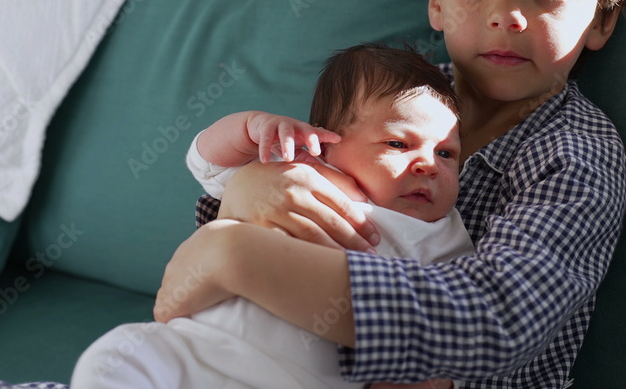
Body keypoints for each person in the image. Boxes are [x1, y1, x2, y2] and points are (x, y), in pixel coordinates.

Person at [155, 0, 626, 388]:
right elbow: (292, 203)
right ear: (436, 1)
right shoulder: (392, 97)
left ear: (603, 18)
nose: (506, 13)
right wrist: (250, 195)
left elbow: (495, 322)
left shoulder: (578, 156)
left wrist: (237, 256)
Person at [70, 44, 474, 388]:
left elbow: (443, 317)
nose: (428, 165)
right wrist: (252, 128)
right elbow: (205, 162)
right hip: (196, 348)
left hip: (295, 379)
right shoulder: (297, 170)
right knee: (112, 358)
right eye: (398, 143)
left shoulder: (439, 231)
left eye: (446, 153)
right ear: (327, 143)